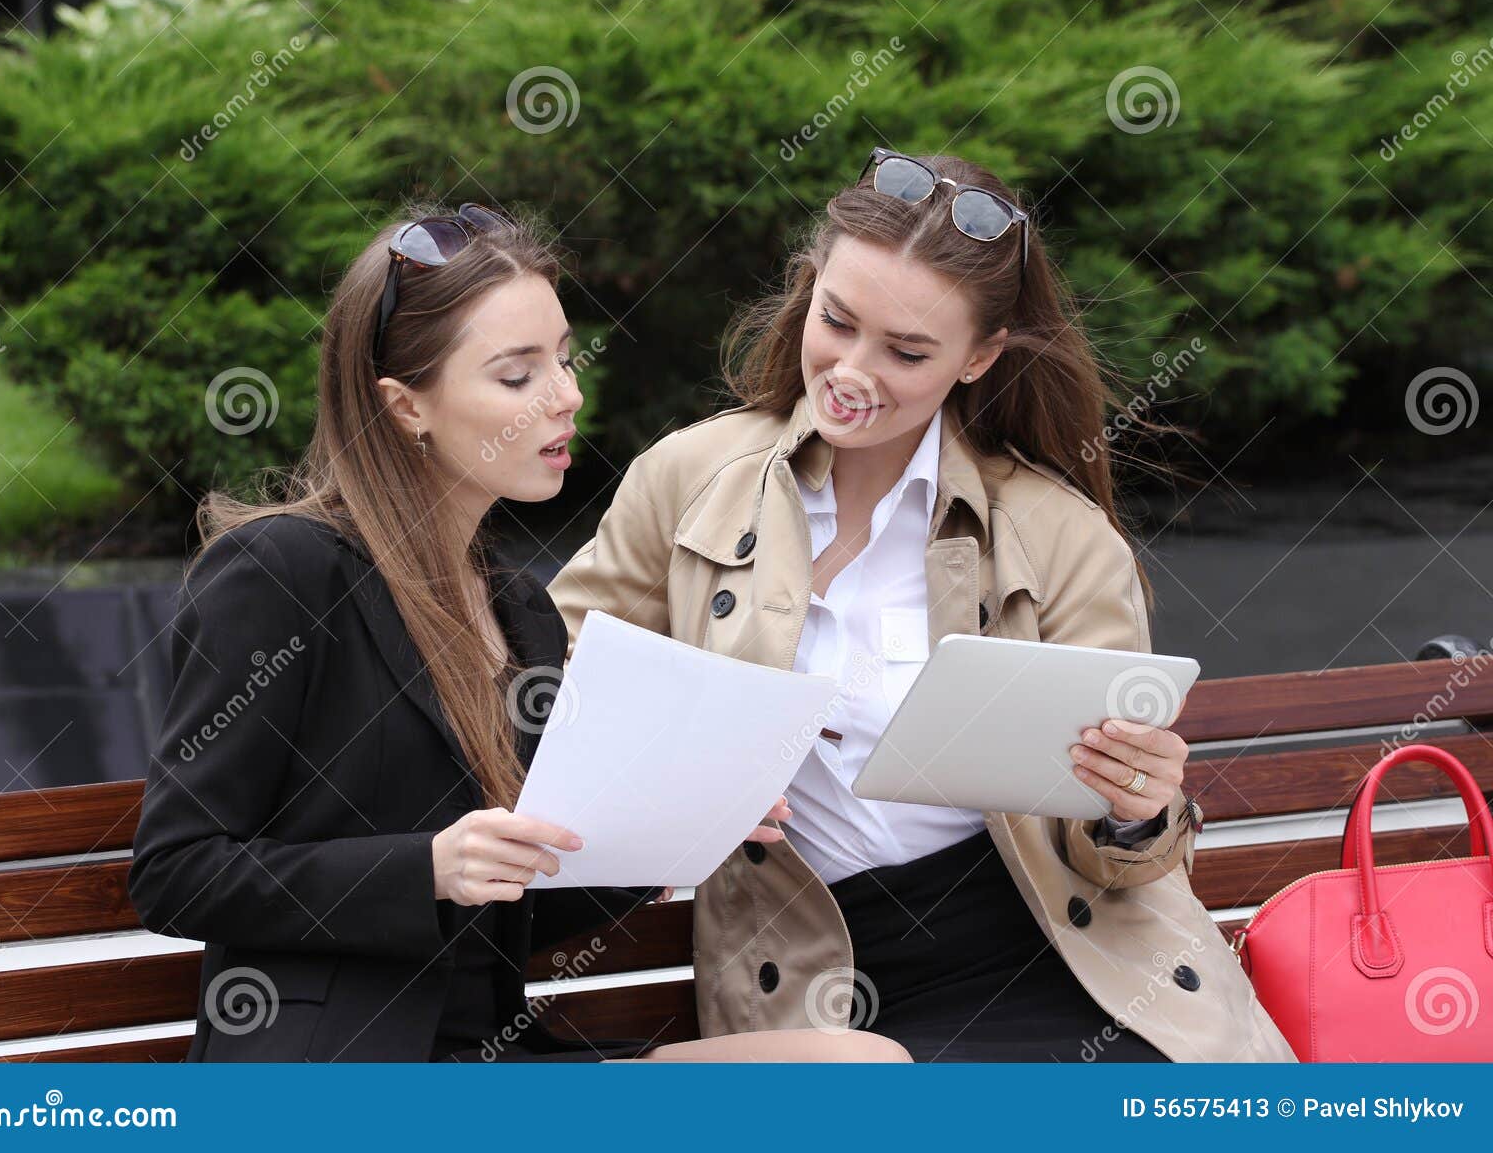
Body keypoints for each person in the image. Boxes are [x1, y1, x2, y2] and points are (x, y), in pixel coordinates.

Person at [547, 148, 1297, 1062]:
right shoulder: (690, 478)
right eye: (837, 320)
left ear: (979, 358)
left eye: (907, 351)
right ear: (809, 287)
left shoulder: (1059, 535)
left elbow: (1122, 860)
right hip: (814, 965)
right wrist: (676, 783)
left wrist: (1136, 808)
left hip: (1066, 949)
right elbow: (550, 686)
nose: (853, 371)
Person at [127, 201, 909, 1064]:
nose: (567, 396)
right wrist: (423, 866)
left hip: (496, 1059)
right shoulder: (282, 572)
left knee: (858, 1067)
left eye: (566, 361)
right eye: (516, 376)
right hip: (333, 1065)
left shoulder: (521, 610)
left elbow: (517, 904)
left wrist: (682, 829)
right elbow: (176, 869)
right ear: (405, 406)